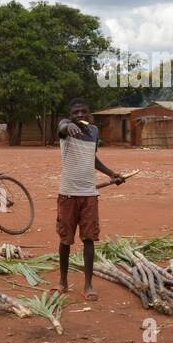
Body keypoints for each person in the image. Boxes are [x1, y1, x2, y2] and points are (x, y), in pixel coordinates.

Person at [56, 99, 123, 300]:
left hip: (89, 194)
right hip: (67, 193)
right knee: (66, 239)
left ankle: (88, 284)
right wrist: (68, 126)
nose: (80, 115)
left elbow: (91, 158)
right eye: (75, 113)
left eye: (83, 112)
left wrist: (112, 174)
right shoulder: (66, 128)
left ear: (89, 114)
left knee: (88, 239)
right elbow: (61, 127)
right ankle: (63, 281)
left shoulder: (93, 131)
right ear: (71, 115)